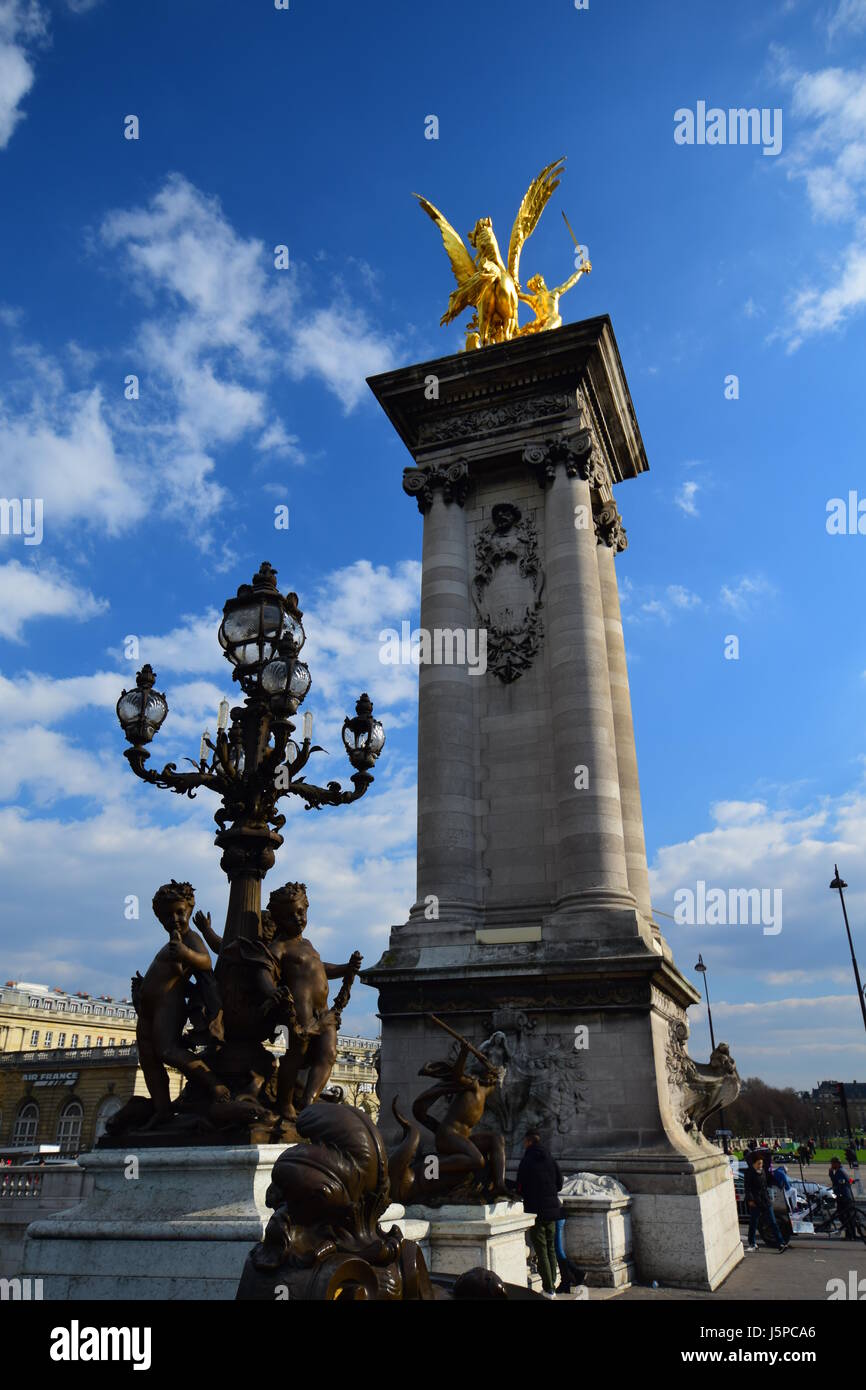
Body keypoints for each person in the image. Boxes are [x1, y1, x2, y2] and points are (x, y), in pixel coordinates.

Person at [516, 1129, 564, 1298]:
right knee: (551, 1248)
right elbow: (560, 1183)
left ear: (529, 1142)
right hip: (552, 1210)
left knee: (541, 1249)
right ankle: (553, 1283)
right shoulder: (550, 1158)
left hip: (535, 1211)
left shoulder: (527, 1161)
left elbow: (519, 1186)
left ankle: (549, 1287)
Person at [743, 1152, 789, 1253]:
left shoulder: (762, 1171)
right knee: (754, 1223)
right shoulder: (749, 1173)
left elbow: (766, 1184)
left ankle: (781, 1243)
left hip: (765, 1200)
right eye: (759, 1163)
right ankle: (752, 1243)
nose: (761, 1165)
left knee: (773, 1222)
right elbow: (747, 1188)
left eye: (761, 1163)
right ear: (754, 1163)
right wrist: (750, 1199)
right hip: (755, 1201)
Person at [829, 1157, 858, 1239]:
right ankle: (850, 1234)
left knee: (844, 1216)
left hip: (843, 1197)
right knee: (846, 1216)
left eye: (832, 1163)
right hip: (845, 1196)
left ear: (837, 1163)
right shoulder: (841, 1170)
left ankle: (850, 1235)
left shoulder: (840, 1172)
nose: (831, 1165)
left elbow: (838, 1184)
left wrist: (831, 1174)